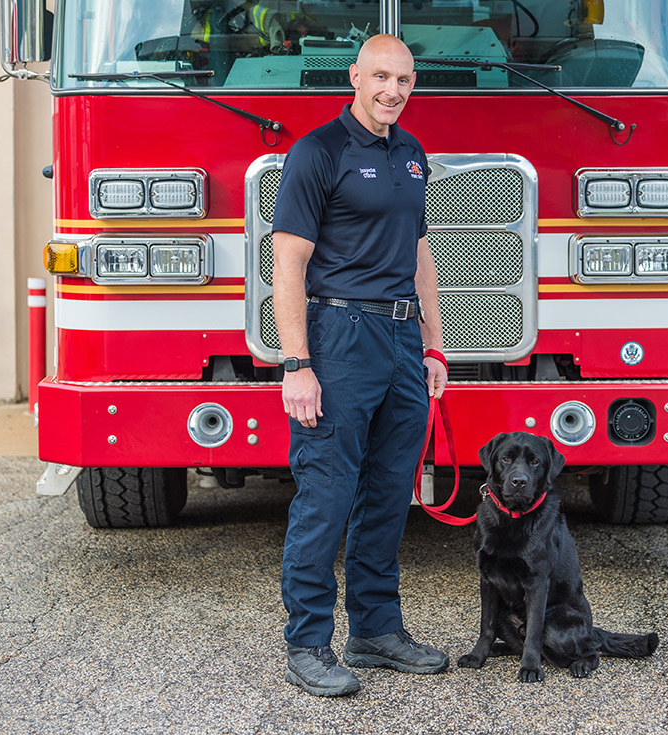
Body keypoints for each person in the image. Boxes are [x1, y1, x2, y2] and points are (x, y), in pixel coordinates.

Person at [271, 33, 449, 697]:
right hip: (339, 334)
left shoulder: (410, 154)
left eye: (403, 80)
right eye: (380, 77)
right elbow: (287, 262)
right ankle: (308, 641)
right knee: (327, 490)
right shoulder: (319, 152)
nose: (392, 91)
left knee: (388, 489)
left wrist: (435, 344)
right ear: (354, 77)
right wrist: (297, 363)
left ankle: (374, 629)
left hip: (403, 342)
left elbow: (421, 254)